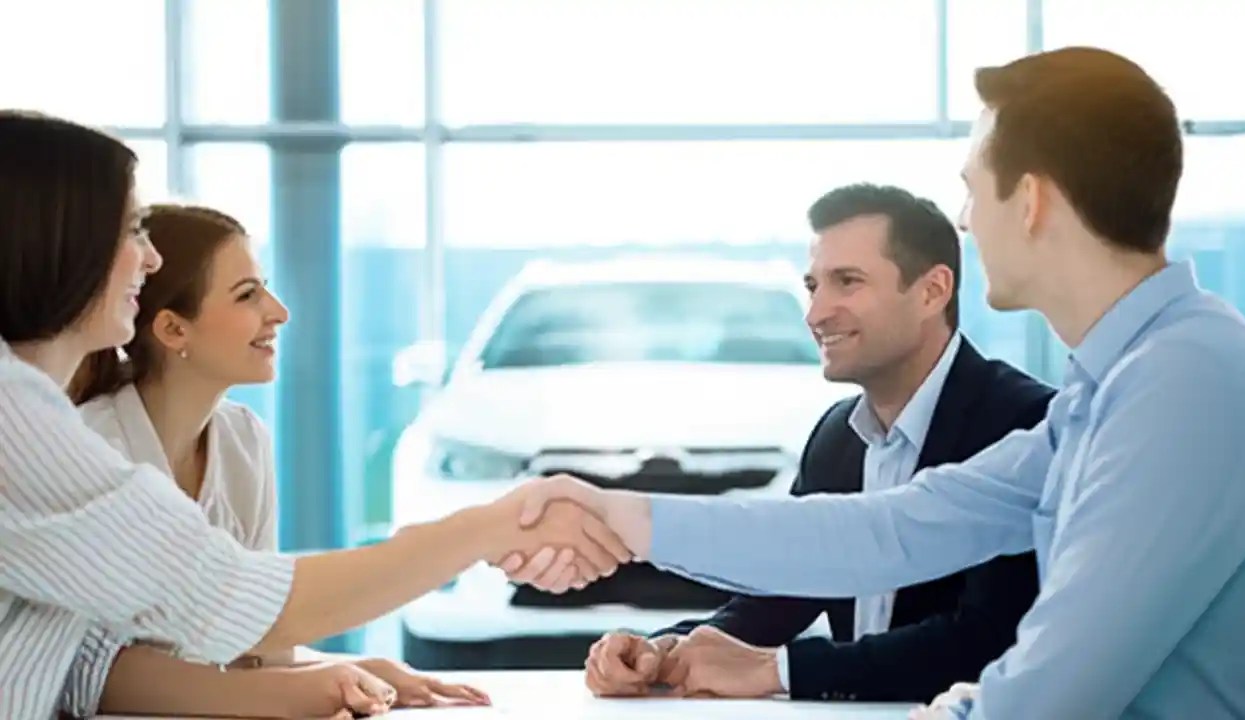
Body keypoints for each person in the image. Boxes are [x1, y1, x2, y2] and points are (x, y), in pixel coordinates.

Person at [503, 46, 1245, 719]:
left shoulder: (1187, 385)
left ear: (1034, 200)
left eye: (975, 189)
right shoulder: (1109, 391)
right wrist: (620, 515)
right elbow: (889, 529)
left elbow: (1054, 690)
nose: (968, 220)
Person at [0, 110, 630, 720]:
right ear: (62, 241)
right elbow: (231, 601)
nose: (151, 257)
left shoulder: (231, 438)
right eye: (131, 230)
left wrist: (323, 673)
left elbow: (73, 660)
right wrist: (492, 528)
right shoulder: (20, 421)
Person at [582, 184, 1052, 703]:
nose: (816, 314)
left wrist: (780, 669)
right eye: (813, 287)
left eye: (847, 282)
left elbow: (988, 642)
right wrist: (666, 651)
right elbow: (785, 594)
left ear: (932, 291)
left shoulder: (1026, 425)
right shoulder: (836, 436)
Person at [60, 203, 491, 717]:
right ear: (174, 330)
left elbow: (254, 643)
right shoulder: (91, 449)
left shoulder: (243, 438)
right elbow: (83, 670)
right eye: (248, 295)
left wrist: (355, 672)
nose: (279, 312)